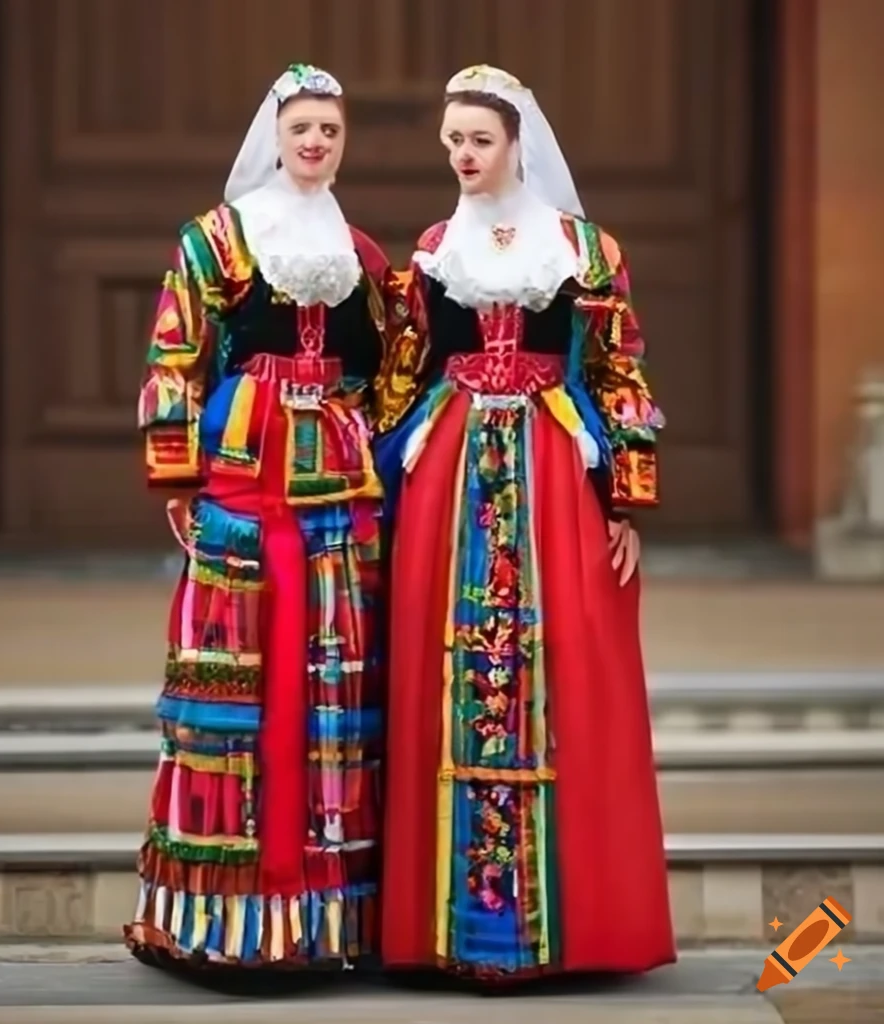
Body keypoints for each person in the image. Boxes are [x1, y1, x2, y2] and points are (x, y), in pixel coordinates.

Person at [375, 65, 675, 982]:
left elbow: (621, 371)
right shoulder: (432, 248)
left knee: (569, 667)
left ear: (517, 144)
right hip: (453, 473)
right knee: (446, 667)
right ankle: (451, 931)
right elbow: (403, 375)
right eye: (453, 142)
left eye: (479, 140)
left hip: (550, 465)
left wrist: (624, 497)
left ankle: (572, 924)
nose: (464, 156)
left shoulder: (585, 250)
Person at [125, 64, 391, 971]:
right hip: (246, 482)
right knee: (238, 684)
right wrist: (177, 474)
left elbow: (387, 376)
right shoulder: (217, 243)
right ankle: (218, 922)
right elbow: (175, 356)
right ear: (275, 135)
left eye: (331, 131)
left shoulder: (364, 255)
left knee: (327, 686)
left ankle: (322, 925)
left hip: (335, 496)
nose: (316, 143)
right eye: (303, 128)